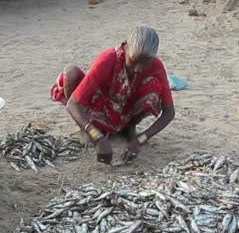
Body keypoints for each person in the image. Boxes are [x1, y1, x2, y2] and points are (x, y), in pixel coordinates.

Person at [51, 25, 176, 165]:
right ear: (125, 48)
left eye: (145, 63)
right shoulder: (108, 58)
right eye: (134, 61)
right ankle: (85, 128)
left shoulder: (156, 65)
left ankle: (128, 127)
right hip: (98, 106)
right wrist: (97, 137)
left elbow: (169, 111)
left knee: (154, 85)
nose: (138, 69)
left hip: (125, 110)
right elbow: (73, 104)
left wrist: (140, 140)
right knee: (71, 72)